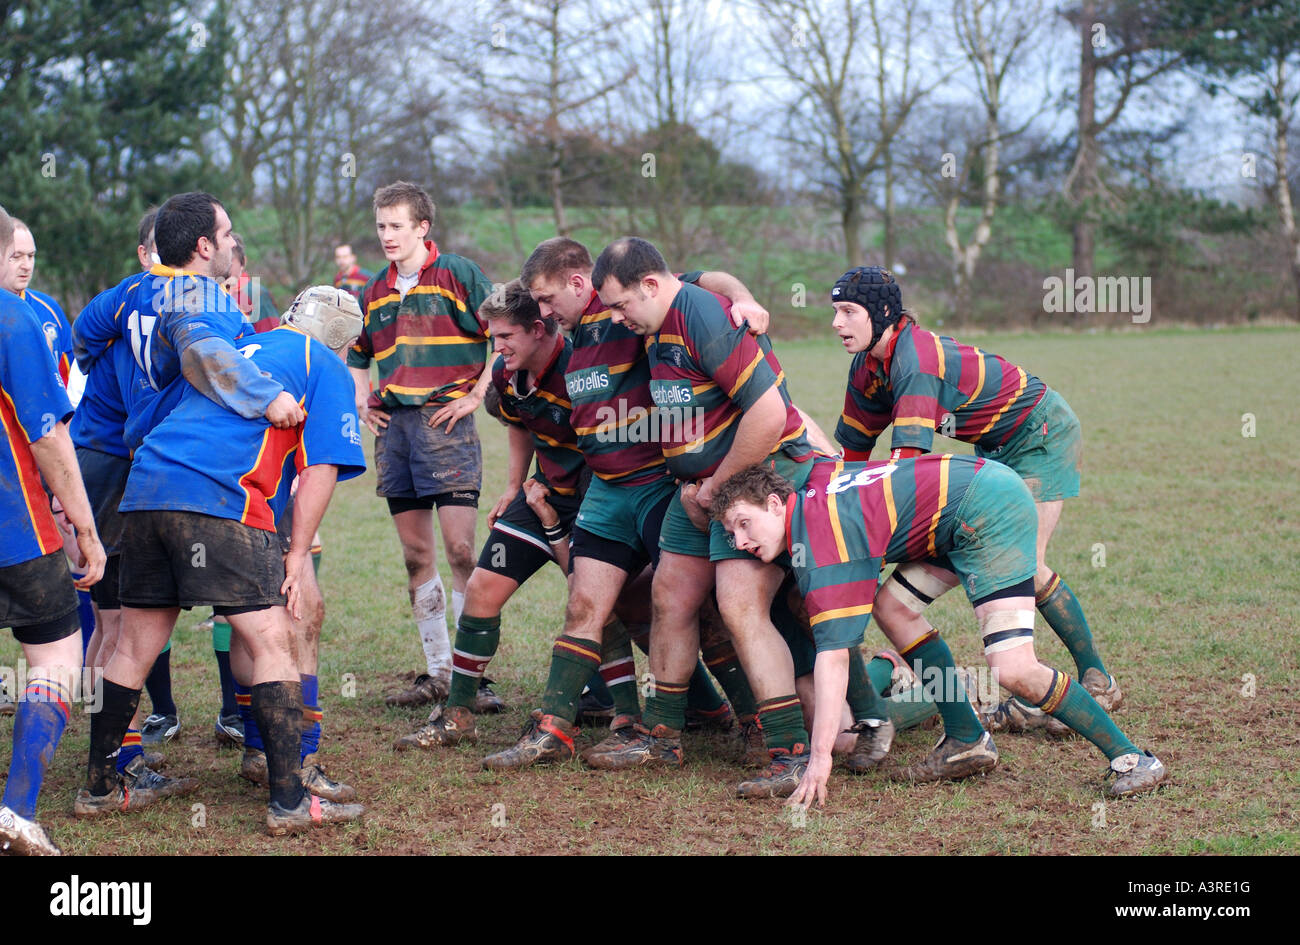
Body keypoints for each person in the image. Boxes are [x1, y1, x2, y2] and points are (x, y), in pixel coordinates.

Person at [572, 238, 896, 797]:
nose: (618, 320)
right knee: (671, 597)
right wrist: (742, 291)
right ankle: (663, 736)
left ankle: (791, 751)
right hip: (698, 488)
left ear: (650, 286)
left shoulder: (700, 317)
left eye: (621, 305)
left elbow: (769, 415)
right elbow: (712, 274)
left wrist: (717, 492)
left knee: (742, 607)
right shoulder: (673, 299)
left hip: (751, 481)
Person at [711, 456, 1170, 808]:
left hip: (988, 510)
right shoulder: (811, 489)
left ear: (776, 503)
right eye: (731, 534)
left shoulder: (823, 543)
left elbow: (833, 658)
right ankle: (966, 739)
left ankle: (1131, 757)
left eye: (744, 524)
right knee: (893, 609)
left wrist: (820, 759)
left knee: (1012, 668)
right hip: (964, 503)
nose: (741, 542)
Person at [75, 283, 368, 834]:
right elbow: (322, 468)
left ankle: (100, 787)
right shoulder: (322, 364)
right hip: (220, 501)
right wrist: (298, 554)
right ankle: (288, 801)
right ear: (344, 345)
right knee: (271, 640)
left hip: (144, 492)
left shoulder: (239, 348)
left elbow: (141, 424)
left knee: (135, 644)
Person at [478, 237, 773, 770]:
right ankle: (553, 730)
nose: (541, 314)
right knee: (585, 604)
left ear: (577, 284)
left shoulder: (628, 309)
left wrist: (744, 297)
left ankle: (754, 723)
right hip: (607, 488)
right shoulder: (568, 334)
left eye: (546, 300)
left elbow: (696, 281)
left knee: (694, 610)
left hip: (659, 482)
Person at [830, 266, 1121, 732]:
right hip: (994, 448)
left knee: (1025, 562)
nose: (837, 323)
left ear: (883, 314)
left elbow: (906, 475)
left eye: (848, 311)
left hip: (1039, 435)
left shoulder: (916, 361)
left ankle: (1096, 680)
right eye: (835, 311)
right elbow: (850, 456)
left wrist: (870, 550)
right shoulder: (868, 367)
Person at [346, 181, 495, 709]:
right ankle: (436, 671)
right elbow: (358, 353)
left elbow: (504, 330)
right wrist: (363, 401)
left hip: (447, 426)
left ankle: (470, 677)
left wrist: (479, 393)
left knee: (460, 551)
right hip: (396, 433)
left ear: (422, 228)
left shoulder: (459, 274)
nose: (386, 235)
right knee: (416, 557)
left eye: (396, 226)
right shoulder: (374, 292)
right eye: (381, 225)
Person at [0, 204, 107, 855]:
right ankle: (15, 810)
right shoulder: (13, 318)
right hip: (18, 529)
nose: (24, 265)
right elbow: (47, 433)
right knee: (57, 659)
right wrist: (86, 528)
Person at [3, 218, 72, 384]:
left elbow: (71, 382)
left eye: (31, 256)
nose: (26, 265)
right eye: (17, 256)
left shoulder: (49, 309)